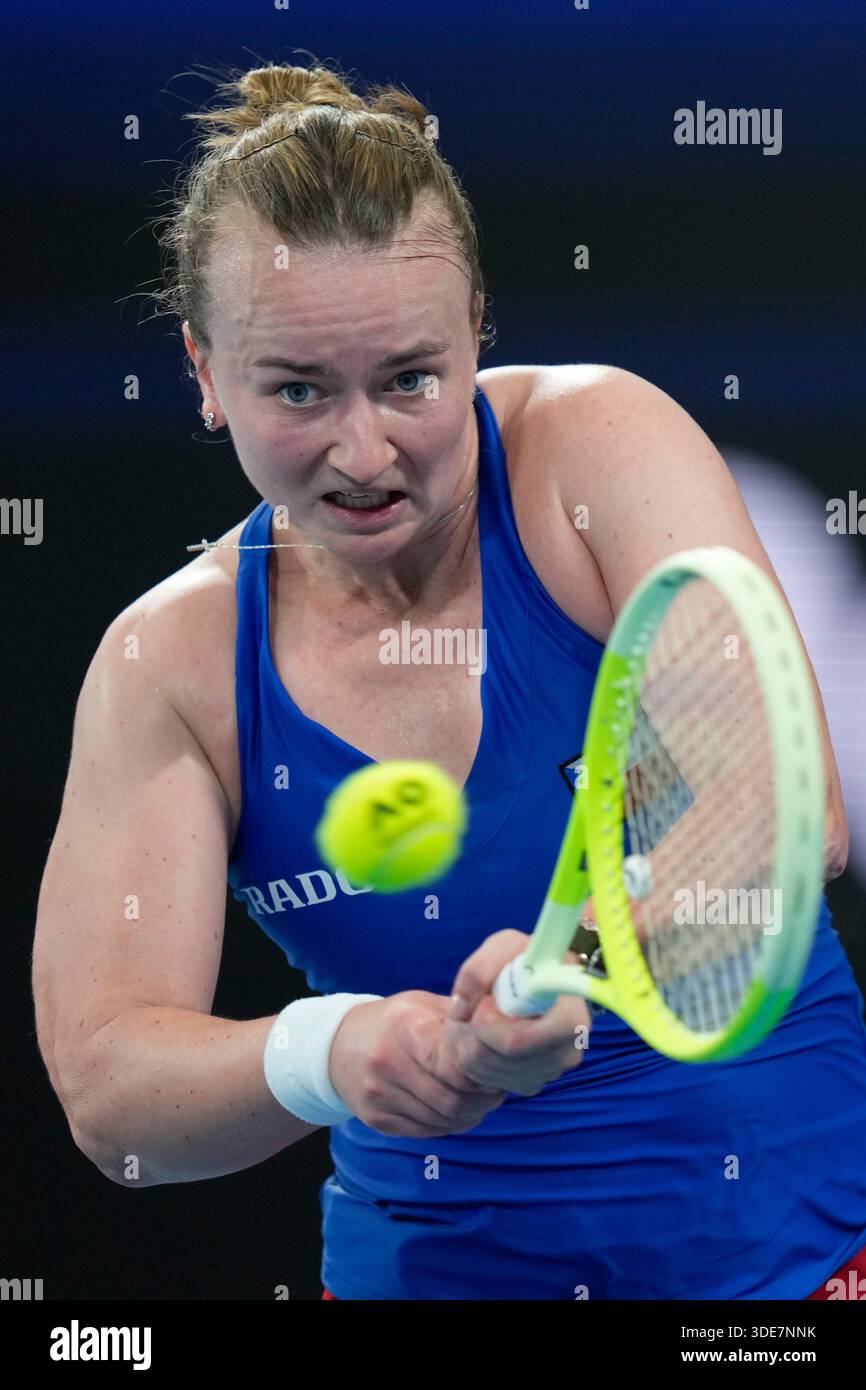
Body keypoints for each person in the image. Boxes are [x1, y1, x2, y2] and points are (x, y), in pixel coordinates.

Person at [32, 59, 866, 1300]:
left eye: (409, 379)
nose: (361, 451)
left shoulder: (597, 445)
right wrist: (336, 1047)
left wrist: (561, 971)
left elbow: (788, 818)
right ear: (205, 373)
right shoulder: (170, 662)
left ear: (477, 324)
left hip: (781, 1272)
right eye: (297, 389)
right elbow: (113, 1099)